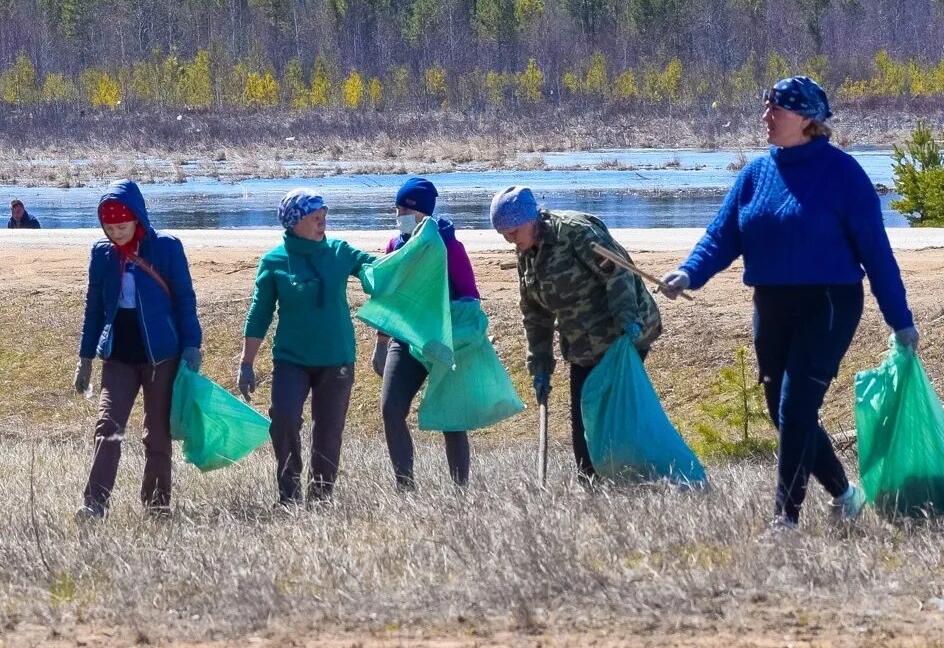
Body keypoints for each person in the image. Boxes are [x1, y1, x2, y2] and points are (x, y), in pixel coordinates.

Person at [658, 76, 920, 530]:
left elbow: (877, 254)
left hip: (829, 304)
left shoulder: (844, 175)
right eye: (765, 107)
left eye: (775, 109)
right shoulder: (756, 175)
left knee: (797, 407)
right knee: (782, 413)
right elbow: (723, 237)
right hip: (771, 304)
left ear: (806, 120)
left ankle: (786, 520)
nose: (766, 117)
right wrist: (689, 272)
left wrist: (900, 320)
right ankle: (845, 494)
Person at [489, 185, 661, 481]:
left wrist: (627, 320)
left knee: (615, 413)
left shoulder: (576, 233)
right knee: (583, 417)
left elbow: (618, 273)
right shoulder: (527, 254)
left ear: (532, 219)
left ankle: (641, 478)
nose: (511, 241)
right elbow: (535, 315)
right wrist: (540, 366)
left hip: (624, 334)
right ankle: (590, 484)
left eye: (514, 232)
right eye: (504, 235)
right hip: (582, 344)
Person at [74, 180, 203, 519]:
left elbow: (186, 299)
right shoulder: (101, 254)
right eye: (109, 227)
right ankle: (94, 505)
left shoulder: (166, 248)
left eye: (122, 225)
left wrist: (192, 346)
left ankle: (158, 507)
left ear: (139, 219)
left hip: (162, 356)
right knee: (107, 428)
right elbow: (94, 308)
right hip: (118, 357)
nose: (115, 233)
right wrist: (85, 358)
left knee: (157, 434)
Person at [240, 189, 376, 505]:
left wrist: (415, 251)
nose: (322, 223)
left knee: (328, 434)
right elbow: (260, 312)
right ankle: (288, 494)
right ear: (295, 221)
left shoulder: (340, 251)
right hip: (291, 359)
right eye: (315, 218)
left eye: (324, 217)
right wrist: (247, 362)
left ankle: (320, 498)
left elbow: (377, 268)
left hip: (337, 358)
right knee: (284, 420)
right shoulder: (274, 261)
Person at [373, 176, 477, 489]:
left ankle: (461, 492)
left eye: (405, 208)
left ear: (422, 212)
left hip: (443, 341)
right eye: (397, 208)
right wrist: (379, 343)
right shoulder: (395, 245)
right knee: (391, 410)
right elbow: (386, 296)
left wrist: (465, 340)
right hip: (405, 340)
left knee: (452, 418)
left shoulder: (448, 245)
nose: (399, 214)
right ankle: (404, 487)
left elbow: (470, 295)